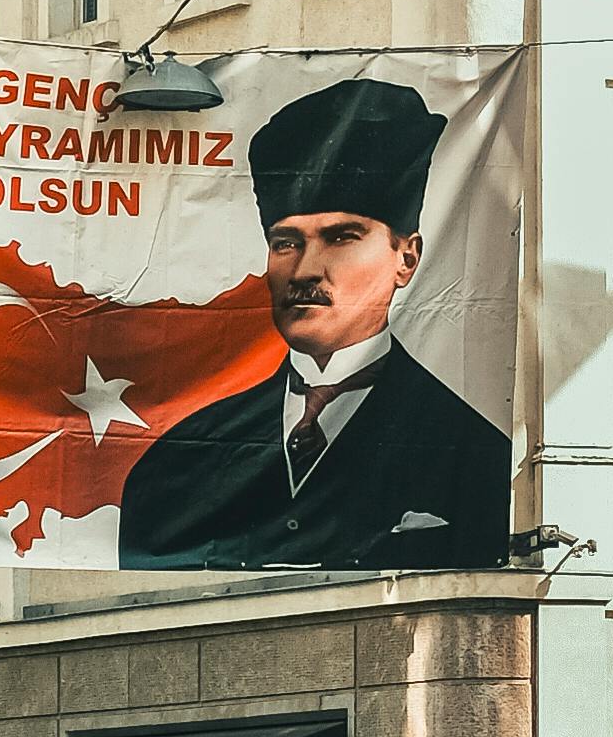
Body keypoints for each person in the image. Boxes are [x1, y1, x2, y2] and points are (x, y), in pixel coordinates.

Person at [115, 76, 514, 571]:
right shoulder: (176, 465)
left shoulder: (475, 455)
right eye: (286, 242)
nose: (304, 270)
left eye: (342, 237)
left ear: (406, 259)